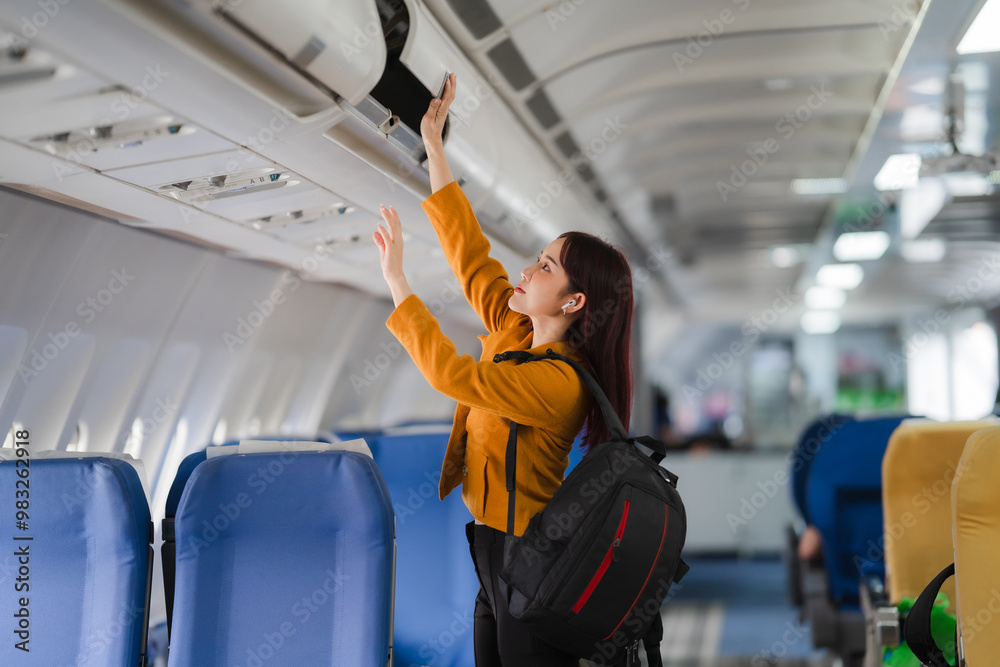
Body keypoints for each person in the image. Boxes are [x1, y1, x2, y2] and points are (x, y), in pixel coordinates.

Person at [373, 73, 636, 666]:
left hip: (533, 560)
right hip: (491, 552)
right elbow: (471, 256)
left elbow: (455, 378)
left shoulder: (558, 381)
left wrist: (397, 284)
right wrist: (435, 149)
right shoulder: (516, 329)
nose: (527, 271)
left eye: (544, 267)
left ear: (572, 303)